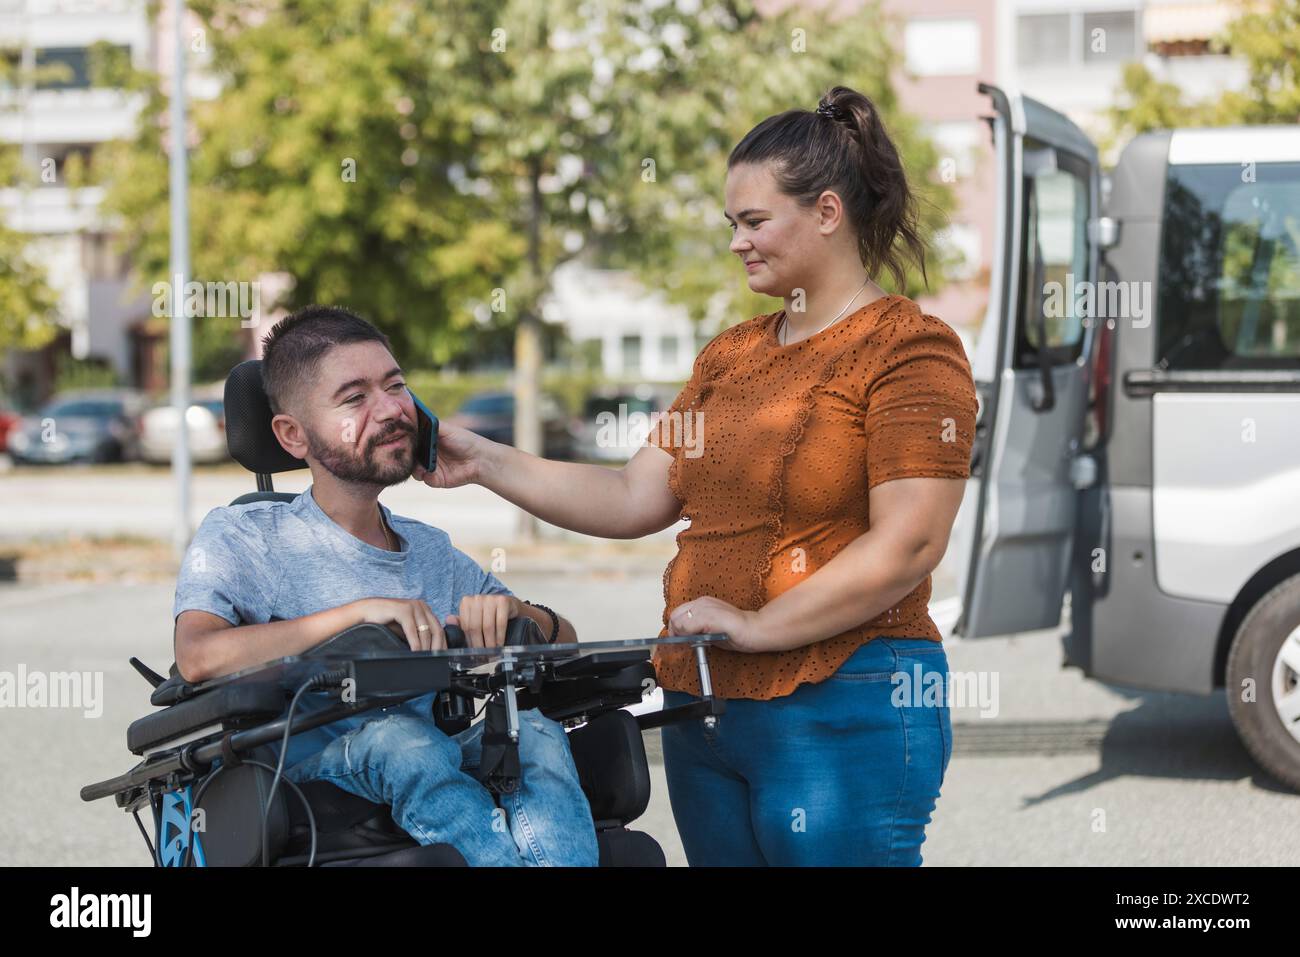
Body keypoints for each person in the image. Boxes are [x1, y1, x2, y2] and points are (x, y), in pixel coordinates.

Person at [416, 86, 978, 865]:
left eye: (754, 221)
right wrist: (481, 458)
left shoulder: (909, 350)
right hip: (707, 706)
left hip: (846, 700)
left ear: (826, 212)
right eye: (732, 225)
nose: (738, 242)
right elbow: (633, 493)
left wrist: (759, 626)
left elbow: (911, 542)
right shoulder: (730, 355)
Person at [172, 305, 598, 866]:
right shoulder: (246, 534)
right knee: (401, 740)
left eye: (396, 386)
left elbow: (563, 639)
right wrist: (357, 615)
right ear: (292, 434)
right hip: (306, 775)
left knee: (535, 734)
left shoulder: (429, 549)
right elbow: (198, 656)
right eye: (355, 398)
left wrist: (519, 613)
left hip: (430, 762)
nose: (392, 409)